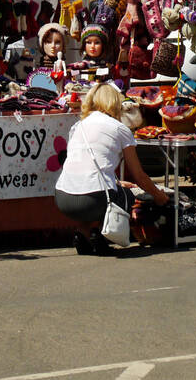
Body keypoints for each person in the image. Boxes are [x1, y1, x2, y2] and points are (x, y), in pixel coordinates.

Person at [54, 82, 169, 254]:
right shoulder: (120, 129)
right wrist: (159, 196)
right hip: (93, 199)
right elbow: (138, 175)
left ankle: (83, 233)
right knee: (127, 195)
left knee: (96, 191)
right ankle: (101, 234)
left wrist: (115, 182)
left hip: (63, 197)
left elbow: (87, 163)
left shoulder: (77, 126)